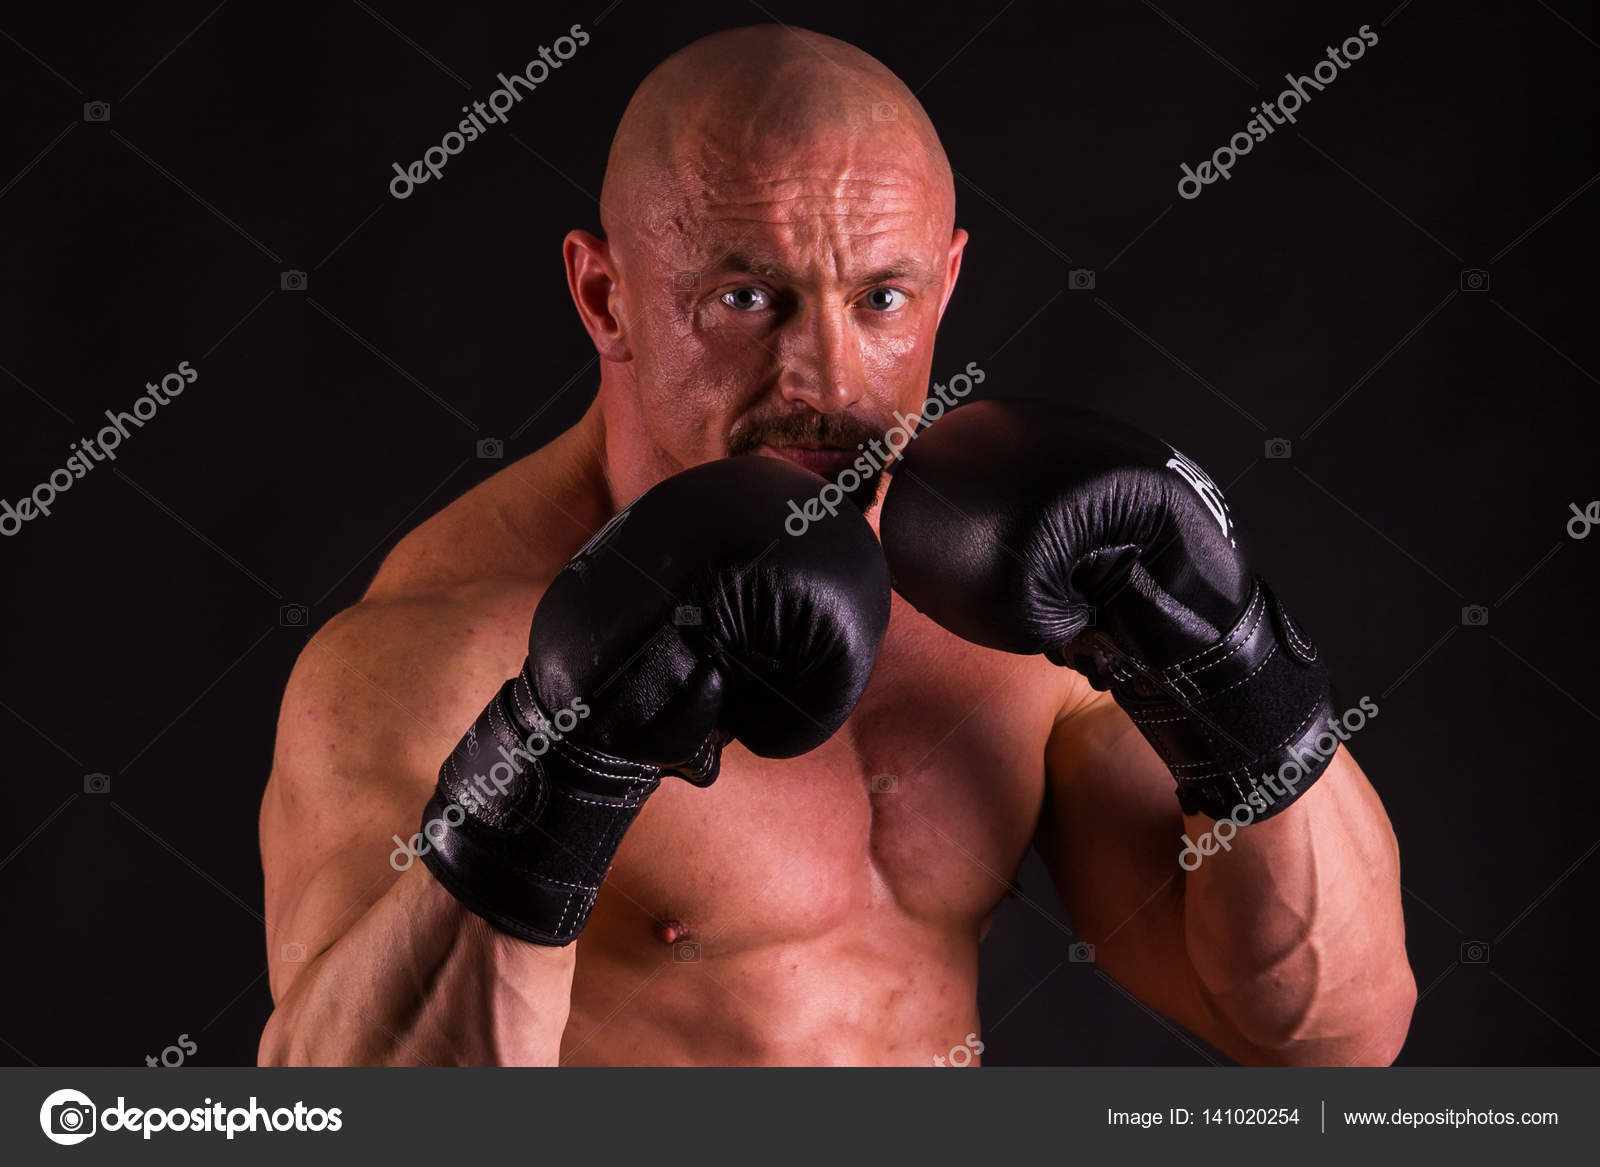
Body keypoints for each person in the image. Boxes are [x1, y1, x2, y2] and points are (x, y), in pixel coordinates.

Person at [257, 25, 1415, 1066]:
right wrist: (561, 765)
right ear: (605, 295)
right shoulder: (429, 657)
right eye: (747, 299)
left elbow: (1321, 1030)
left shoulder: (1023, 595)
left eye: (880, 300)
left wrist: (1232, 666)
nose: (826, 382)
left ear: (947, 282)